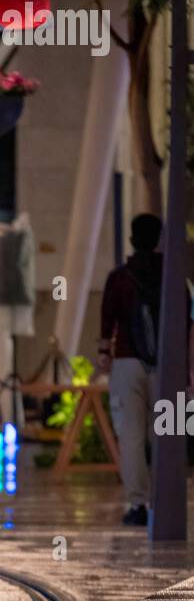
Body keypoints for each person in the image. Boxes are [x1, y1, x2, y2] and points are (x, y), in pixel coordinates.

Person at [97, 213, 163, 526]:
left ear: (132, 239)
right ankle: (165, 501)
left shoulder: (120, 277)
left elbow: (107, 319)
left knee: (132, 437)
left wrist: (103, 353)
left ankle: (139, 504)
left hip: (126, 364)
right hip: (167, 369)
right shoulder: (173, 278)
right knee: (167, 433)